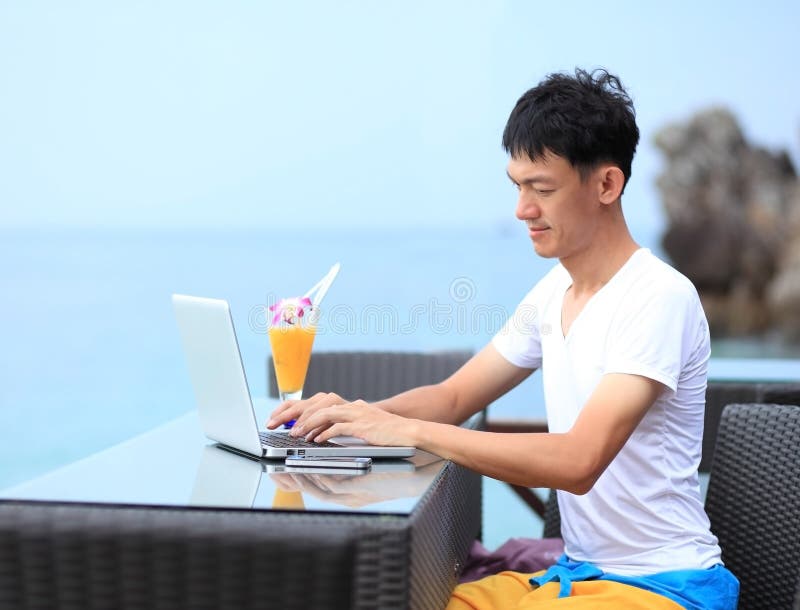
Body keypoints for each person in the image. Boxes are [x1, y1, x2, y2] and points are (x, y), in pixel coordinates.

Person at [266, 68, 739, 609]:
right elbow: (454, 397)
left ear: (607, 184)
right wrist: (354, 415)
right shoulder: (552, 291)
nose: (522, 210)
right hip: (578, 574)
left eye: (542, 189)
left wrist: (408, 431)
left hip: (664, 586)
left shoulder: (658, 297)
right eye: (517, 186)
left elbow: (578, 462)